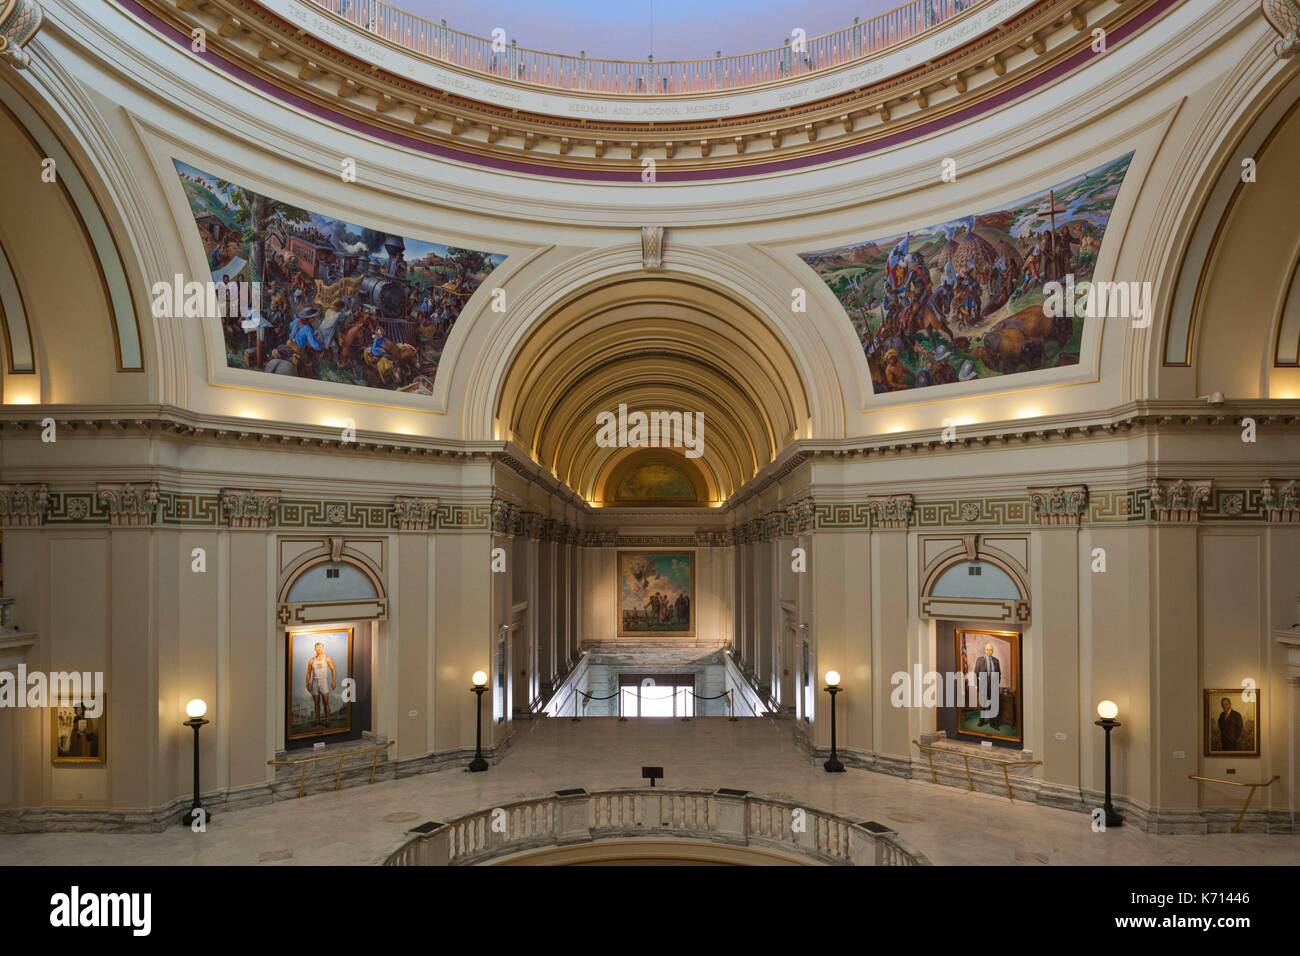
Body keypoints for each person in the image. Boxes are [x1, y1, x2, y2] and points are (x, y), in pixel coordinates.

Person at [305, 642, 338, 727]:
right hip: (314, 681)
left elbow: (333, 670)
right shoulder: (311, 660)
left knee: (326, 702)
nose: (319, 649)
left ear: (323, 648)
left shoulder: (327, 658)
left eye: (320, 647)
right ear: (315, 649)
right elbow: (308, 673)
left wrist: (334, 681)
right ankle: (317, 720)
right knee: (316, 702)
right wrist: (307, 683)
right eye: (317, 647)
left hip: (323, 681)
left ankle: (327, 720)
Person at [973, 643, 1002, 726]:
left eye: (990, 650)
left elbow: (999, 673)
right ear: (985, 650)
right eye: (987, 649)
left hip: (993, 686)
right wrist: (978, 686)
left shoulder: (996, 660)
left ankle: (992, 722)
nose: (989, 651)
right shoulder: (979, 660)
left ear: (992, 651)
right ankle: (981, 721)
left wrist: (997, 683)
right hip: (983, 686)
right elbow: (975, 674)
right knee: (983, 705)